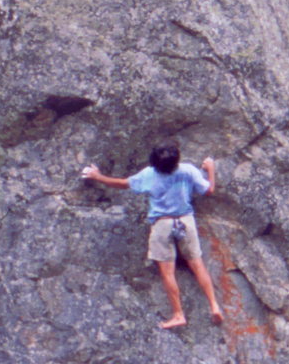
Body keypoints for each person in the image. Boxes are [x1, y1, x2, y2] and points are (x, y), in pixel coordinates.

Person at [82, 141, 223, 330]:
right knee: (197, 264)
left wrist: (98, 176)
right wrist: (210, 169)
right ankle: (214, 305)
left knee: (167, 272)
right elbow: (209, 190)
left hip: (162, 224)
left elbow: (123, 183)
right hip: (185, 221)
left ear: (155, 162)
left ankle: (178, 315)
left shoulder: (150, 174)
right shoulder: (187, 170)